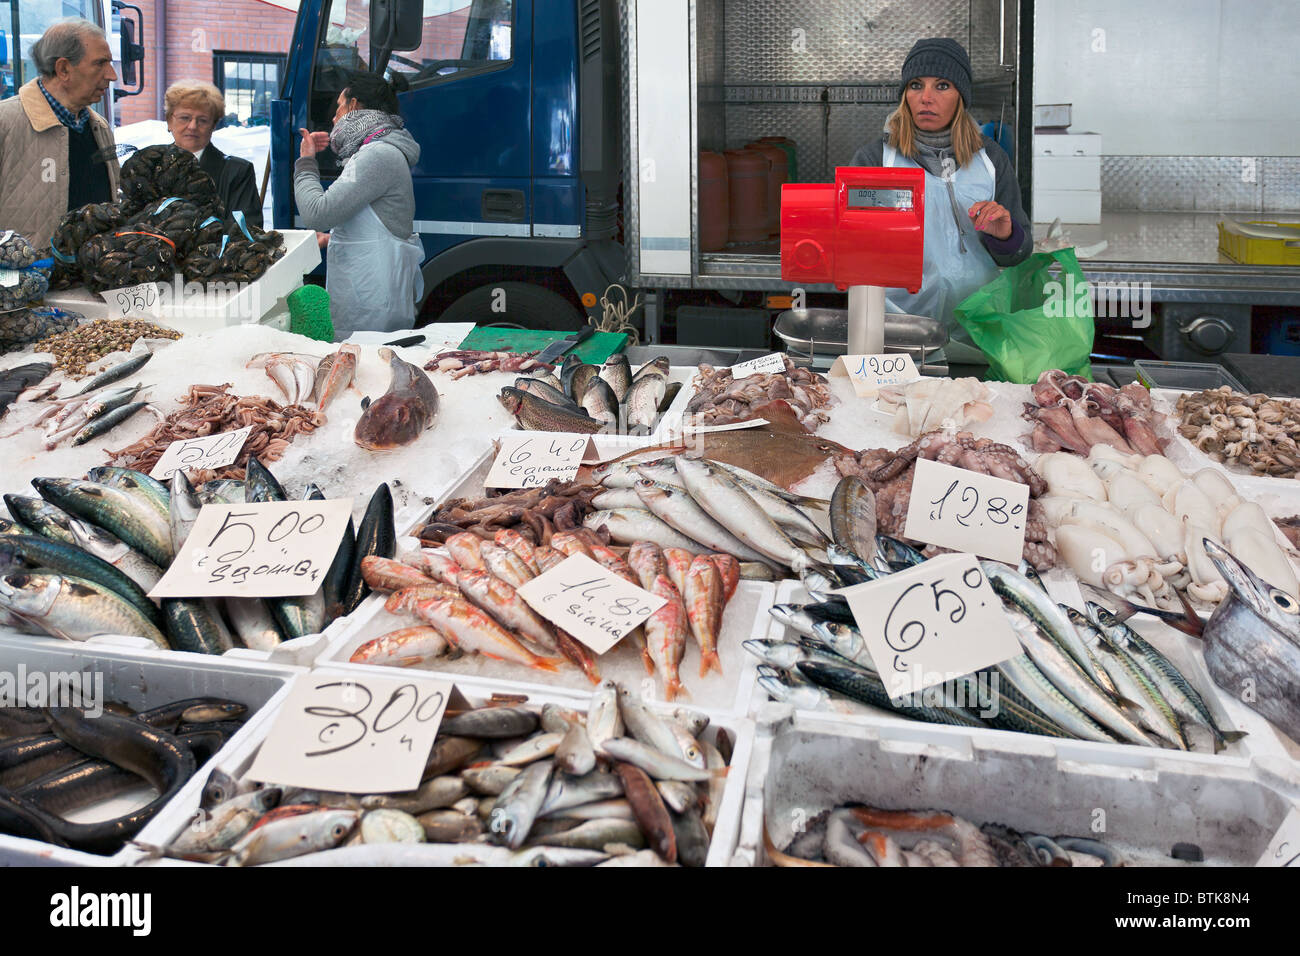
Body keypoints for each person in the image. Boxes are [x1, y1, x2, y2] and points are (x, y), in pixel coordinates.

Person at [852, 38, 1032, 363]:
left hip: (977, 331)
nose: (926, 98)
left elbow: (1017, 255)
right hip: (896, 333)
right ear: (904, 94)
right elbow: (851, 252)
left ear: (961, 96)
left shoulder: (991, 159)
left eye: (943, 85)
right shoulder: (875, 159)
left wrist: (1005, 234)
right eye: (916, 85)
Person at [294, 72, 423, 337]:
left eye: (338, 107)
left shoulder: (377, 154)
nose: (333, 117)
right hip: (371, 295)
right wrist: (339, 239)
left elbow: (317, 213)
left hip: (370, 306)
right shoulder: (377, 150)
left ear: (353, 106)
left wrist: (306, 162)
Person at [0, 18, 119, 248]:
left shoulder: (100, 128)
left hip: (91, 279)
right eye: (100, 63)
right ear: (63, 69)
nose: (112, 75)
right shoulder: (5, 123)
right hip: (26, 282)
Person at [164, 80, 262, 226]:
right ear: (169, 121)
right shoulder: (148, 167)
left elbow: (246, 229)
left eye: (202, 120)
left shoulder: (238, 172)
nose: (192, 126)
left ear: (213, 126)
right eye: (185, 118)